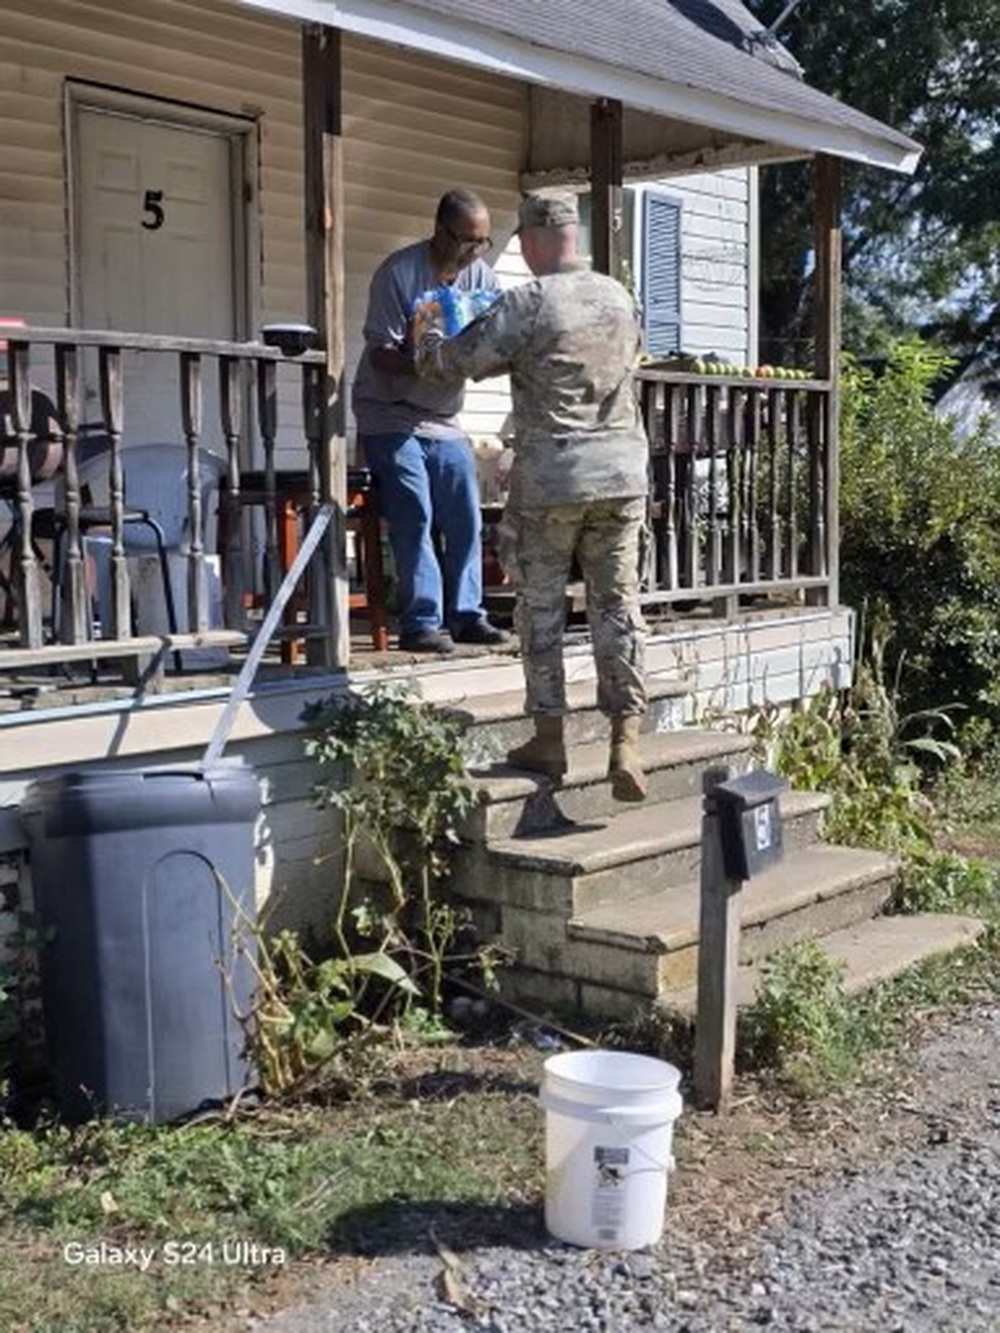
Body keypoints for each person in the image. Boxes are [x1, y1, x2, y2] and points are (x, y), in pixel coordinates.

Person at [417, 191, 650, 801]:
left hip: (555, 480)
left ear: (538, 238)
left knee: (541, 606)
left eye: (519, 238)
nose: (516, 248)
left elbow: (460, 360)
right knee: (617, 604)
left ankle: (549, 738)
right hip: (623, 475)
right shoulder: (619, 297)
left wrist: (429, 338)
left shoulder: (529, 301)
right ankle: (626, 737)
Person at [352, 188, 510, 654]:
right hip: (390, 413)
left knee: (463, 514)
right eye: (467, 240)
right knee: (414, 511)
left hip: (443, 417)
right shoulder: (399, 273)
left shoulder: (481, 276)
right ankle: (421, 622)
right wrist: (429, 363)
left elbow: (495, 338)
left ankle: (466, 616)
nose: (475, 251)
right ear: (441, 231)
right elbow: (380, 353)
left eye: (483, 241)